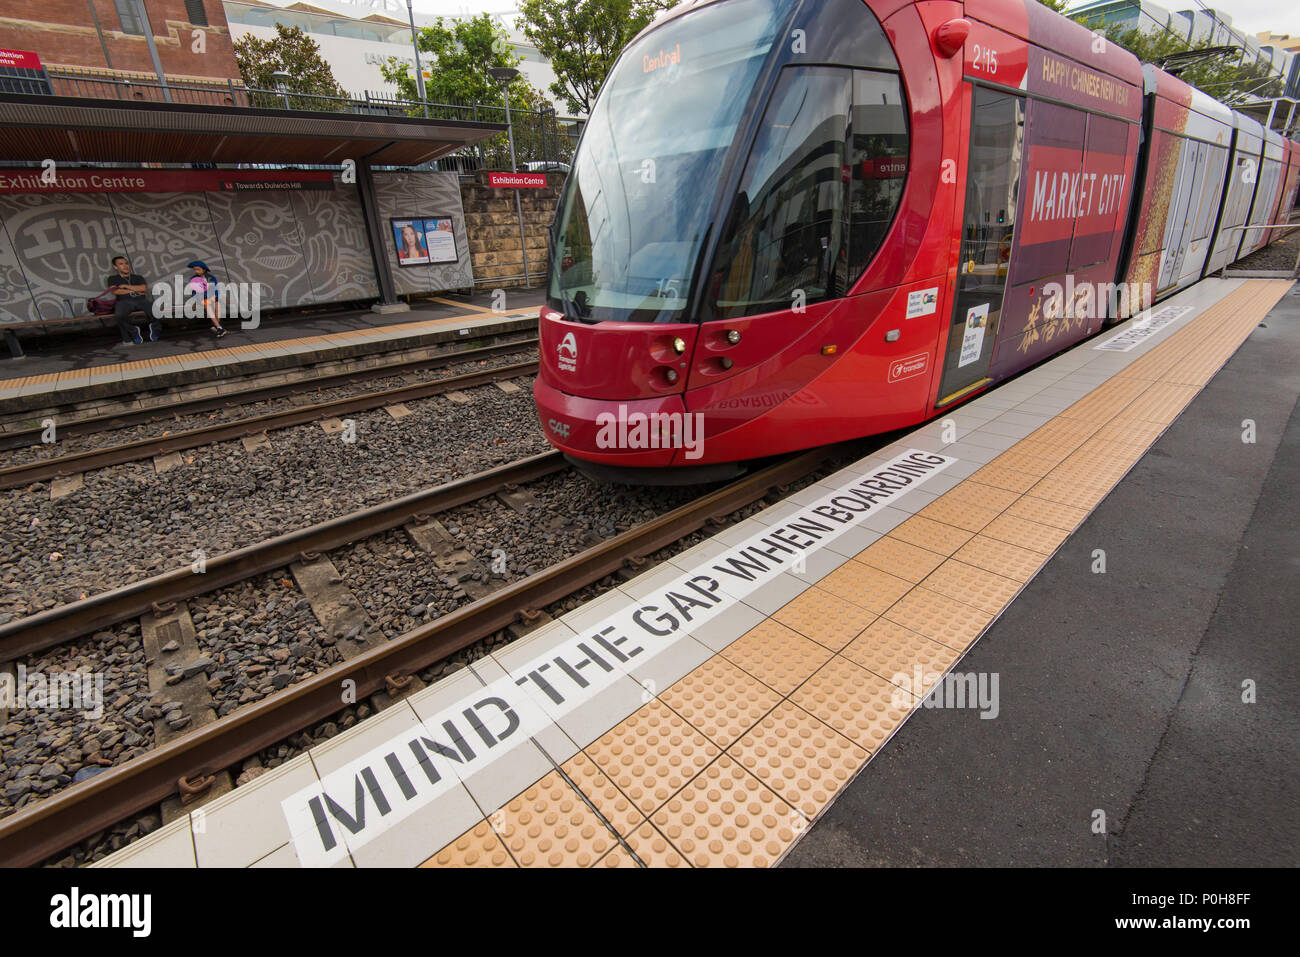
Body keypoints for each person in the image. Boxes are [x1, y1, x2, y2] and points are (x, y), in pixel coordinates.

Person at [106, 255, 156, 344]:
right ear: (115, 267)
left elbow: (143, 289)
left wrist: (125, 287)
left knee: (156, 311)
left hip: (141, 300)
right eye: (121, 264)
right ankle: (133, 331)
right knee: (119, 315)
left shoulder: (138, 277)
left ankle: (155, 330)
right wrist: (135, 289)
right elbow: (115, 291)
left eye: (126, 263)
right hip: (124, 301)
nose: (125, 266)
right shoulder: (113, 278)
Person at [185, 260, 227, 337]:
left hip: (212, 297)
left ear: (204, 270)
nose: (196, 271)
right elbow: (195, 292)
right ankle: (219, 328)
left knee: (218, 308)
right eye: (195, 269)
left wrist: (214, 297)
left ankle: (217, 328)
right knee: (208, 306)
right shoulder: (193, 279)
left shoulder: (211, 278)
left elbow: (214, 289)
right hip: (201, 298)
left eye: (198, 269)